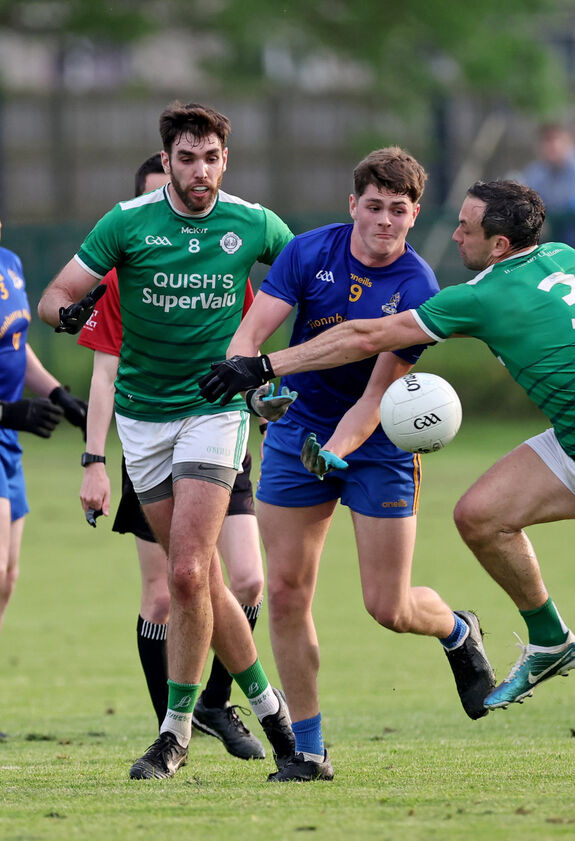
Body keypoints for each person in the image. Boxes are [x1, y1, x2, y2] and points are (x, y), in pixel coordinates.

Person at [200, 180, 575, 777]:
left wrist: (263, 365)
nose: (455, 233)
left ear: (498, 244)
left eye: (466, 227)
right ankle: (550, 640)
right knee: (479, 515)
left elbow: (365, 336)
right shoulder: (561, 256)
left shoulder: (480, 296)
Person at [38, 101, 297, 780]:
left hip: (212, 413)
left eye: (212, 157)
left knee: (187, 571)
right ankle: (277, 719)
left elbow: (304, 275)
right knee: (201, 580)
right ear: (168, 158)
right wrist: (70, 311)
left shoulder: (252, 222)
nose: (201, 170)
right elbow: (56, 295)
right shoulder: (127, 225)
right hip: (142, 422)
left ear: (225, 159)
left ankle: (173, 733)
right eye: (188, 158)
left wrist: (281, 359)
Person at [222, 147, 494, 782]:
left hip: (378, 443)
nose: (384, 221)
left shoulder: (419, 288)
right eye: (373, 207)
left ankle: (457, 629)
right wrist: (255, 390)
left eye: (398, 210)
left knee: (389, 606)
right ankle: (309, 750)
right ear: (353, 206)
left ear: (414, 213)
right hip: (296, 433)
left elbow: (374, 398)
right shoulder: (308, 252)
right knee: (287, 593)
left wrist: (337, 455)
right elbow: (250, 340)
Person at [76, 152, 269, 762]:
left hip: (216, 430)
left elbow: (250, 344)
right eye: (172, 181)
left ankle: (210, 704)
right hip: (148, 431)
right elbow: (104, 374)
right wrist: (94, 459)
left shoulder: (229, 258)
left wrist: (268, 394)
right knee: (168, 590)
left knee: (244, 580)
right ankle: (174, 721)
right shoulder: (123, 265)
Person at [0, 217, 89, 643]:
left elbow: (15, 343)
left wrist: (57, 394)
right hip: (5, 426)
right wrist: (7, 413)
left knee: (8, 578)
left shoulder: (9, 263)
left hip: (8, 443)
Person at [518, 123, 575, 266]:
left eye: (556, 140)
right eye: (547, 141)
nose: (552, 146)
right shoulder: (535, 172)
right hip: (549, 242)